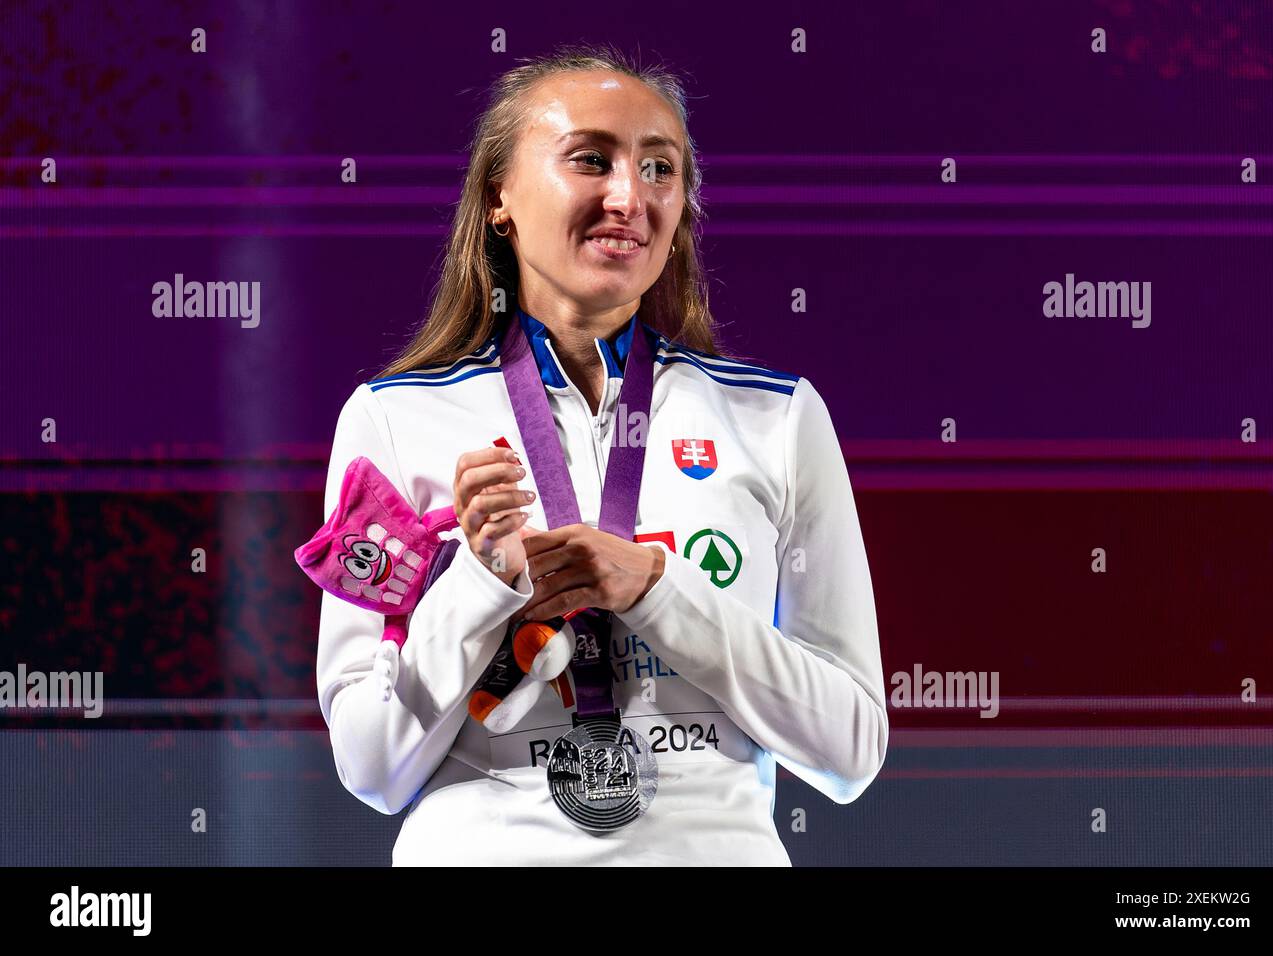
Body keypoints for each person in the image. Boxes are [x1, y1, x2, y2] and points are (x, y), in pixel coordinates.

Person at [315, 43, 888, 866]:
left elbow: (850, 750)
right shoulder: (397, 420)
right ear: (499, 195)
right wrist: (480, 584)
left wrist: (660, 593)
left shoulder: (776, 416)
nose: (630, 197)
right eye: (592, 160)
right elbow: (372, 769)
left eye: (661, 169)